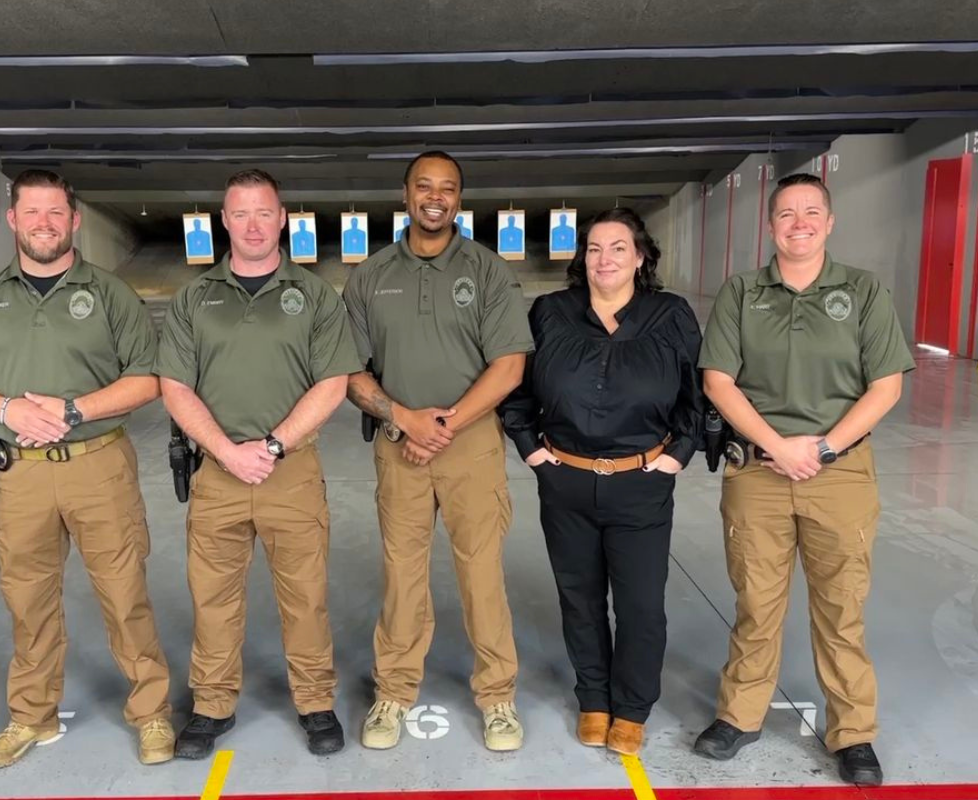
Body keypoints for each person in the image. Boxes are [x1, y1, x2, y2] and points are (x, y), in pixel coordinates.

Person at [0, 169, 174, 768]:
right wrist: (7, 407)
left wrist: (73, 409)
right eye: (32, 213)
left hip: (98, 465)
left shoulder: (112, 294)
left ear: (73, 220)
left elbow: (146, 378)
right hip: (21, 474)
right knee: (27, 597)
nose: (45, 223)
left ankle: (151, 714)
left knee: (125, 595)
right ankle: (30, 717)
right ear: (13, 220)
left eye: (56, 213)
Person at [693, 173, 914, 787]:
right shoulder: (741, 292)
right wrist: (775, 447)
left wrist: (819, 447)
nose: (799, 223)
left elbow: (886, 385)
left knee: (841, 608)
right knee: (756, 605)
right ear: (770, 226)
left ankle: (854, 733)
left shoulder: (864, 291)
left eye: (811, 211)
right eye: (786, 213)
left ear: (830, 221)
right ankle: (739, 716)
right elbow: (718, 382)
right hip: (757, 472)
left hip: (839, 473)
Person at [155, 169, 362, 758]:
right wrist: (226, 451)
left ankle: (315, 702)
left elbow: (334, 382)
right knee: (213, 596)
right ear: (224, 220)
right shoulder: (195, 297)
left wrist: (271, 446)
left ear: (283, 219)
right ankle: (212, 705)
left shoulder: (316, 295)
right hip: (218, 473)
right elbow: (174, 383)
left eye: (263, 213)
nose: (252, 224)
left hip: (290, 471)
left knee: (305, 594)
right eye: (240, 213)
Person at [343, 150, 533, 752]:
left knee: (482, 576)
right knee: (402, 577)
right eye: (424, 185)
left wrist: (444, 425)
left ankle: (498, 697)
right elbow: (348, 371)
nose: (435, 196)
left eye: (447, 188)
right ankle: (394, 693)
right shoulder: (371, 274)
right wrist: (403, 418)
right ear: (404, 194)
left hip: (469, 445)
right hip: (400, 443)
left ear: (459, 198)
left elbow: (509, 367)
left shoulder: (486, 269)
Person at [500, 207, 702, 756]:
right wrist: (532, 451)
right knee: (579, 598)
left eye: (618, 248)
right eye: (593, 248)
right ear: (581, 258)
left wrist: (677, 455)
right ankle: (593, 698)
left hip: (641, 483)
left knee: (640, 605)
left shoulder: (670, 314)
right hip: (565, 479)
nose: (604, 259)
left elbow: (696, 393)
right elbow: (516, 390)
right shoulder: (549, 312)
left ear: (641, 257)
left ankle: (632, 708)